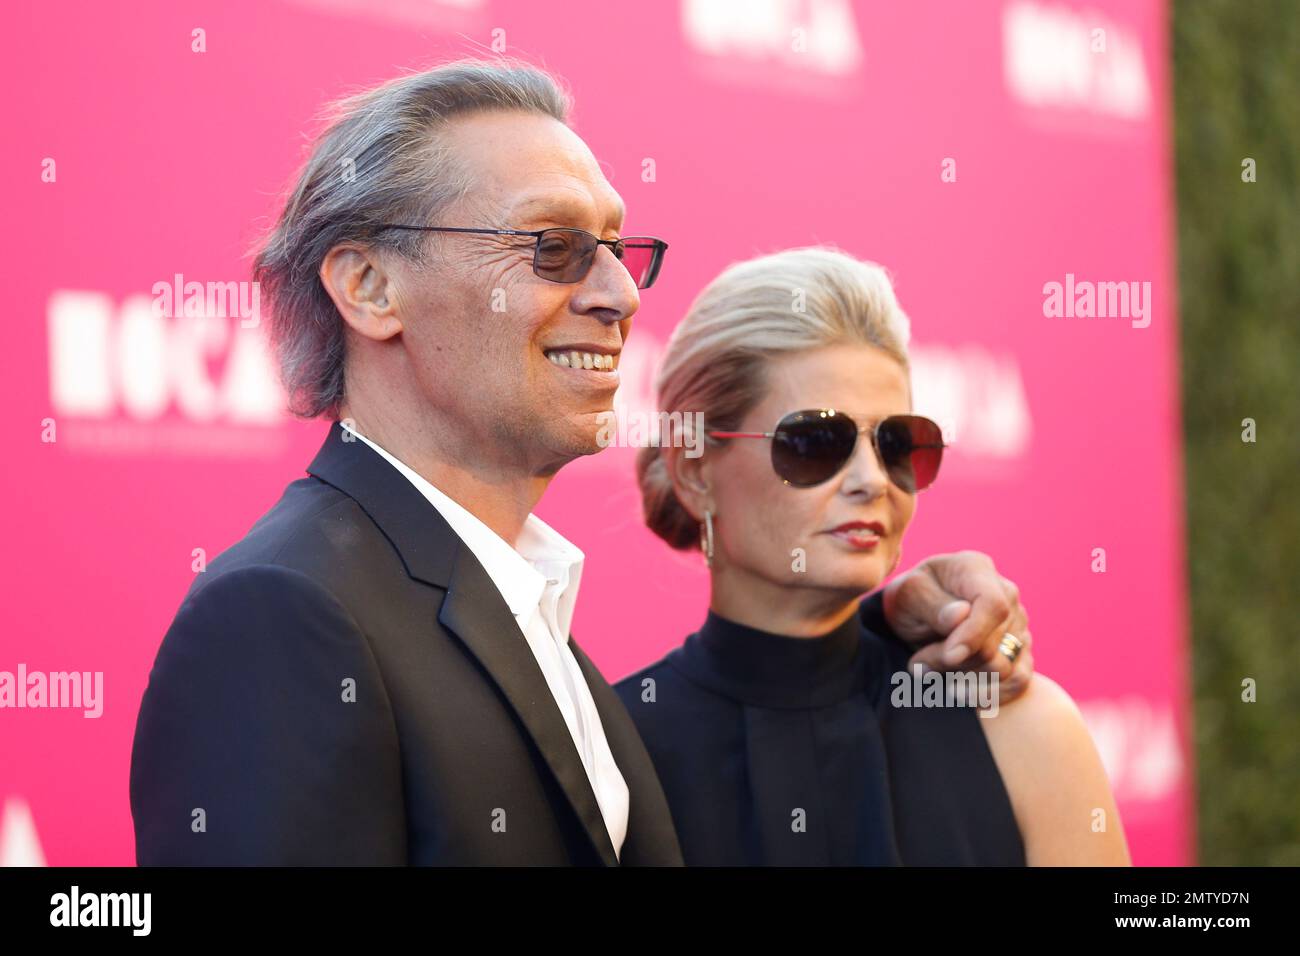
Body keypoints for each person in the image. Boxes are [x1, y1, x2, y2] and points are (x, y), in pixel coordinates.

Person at [130, 59, 1035, 866]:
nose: (620, 294)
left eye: (615, 249)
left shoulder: (521, 616)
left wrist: (879, 629)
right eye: (552, 248)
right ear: (370, 288)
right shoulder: (282, 618)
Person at [617, 247, 1130, 866]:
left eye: (896, 444)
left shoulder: (1019, 728)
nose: (871, 479)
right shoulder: (612, 759)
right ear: (696, 473)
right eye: (815, 441)